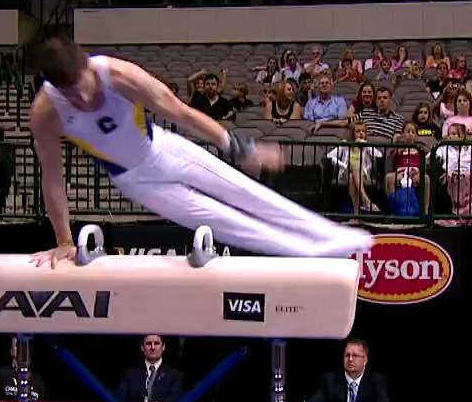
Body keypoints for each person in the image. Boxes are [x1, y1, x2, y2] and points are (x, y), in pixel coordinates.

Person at [28, 37, 373, 264]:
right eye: (71, 96)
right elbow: (53, 178)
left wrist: (240, 149)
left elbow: (182, 112)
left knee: (245, 192)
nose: (83, 100)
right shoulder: (46, 111)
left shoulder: (120, 76)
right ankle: (311, 252)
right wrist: (63, 240)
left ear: (88, 64)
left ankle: (335, 235)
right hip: (134, 182)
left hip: (164, 151)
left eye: (83, 88)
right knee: (221, 222)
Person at [304, 339, 388, 402]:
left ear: (365, 360)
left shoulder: (376, 380)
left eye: (355, 356)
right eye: (347, 355)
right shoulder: (330, 380)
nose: (350, 359)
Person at [116, 335, 184, 402]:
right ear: (142, 347)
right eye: (148, 344)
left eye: (156, 343)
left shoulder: (175, 376)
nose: (153, 347)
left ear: (163, 347)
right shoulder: (129, 374)